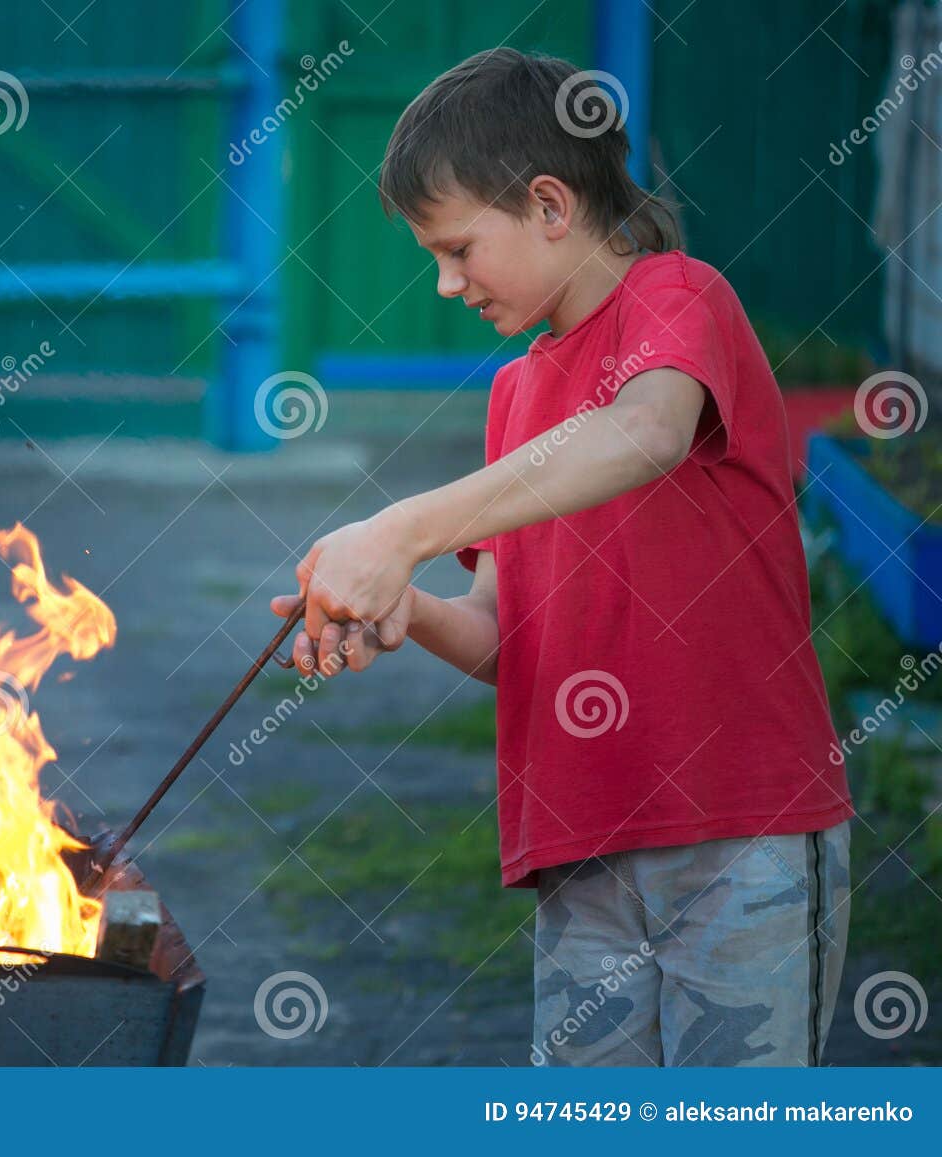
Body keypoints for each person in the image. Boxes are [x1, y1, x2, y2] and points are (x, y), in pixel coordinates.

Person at [273, 48, 854, 1066]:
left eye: (456, 249)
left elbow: (644, 433)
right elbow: (507, 640)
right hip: (581, 849)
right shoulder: (513, 395)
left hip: (740, 828)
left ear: (549, 205)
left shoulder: (678, 298)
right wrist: (404, 601)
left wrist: (401, 528)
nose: (447, 283)